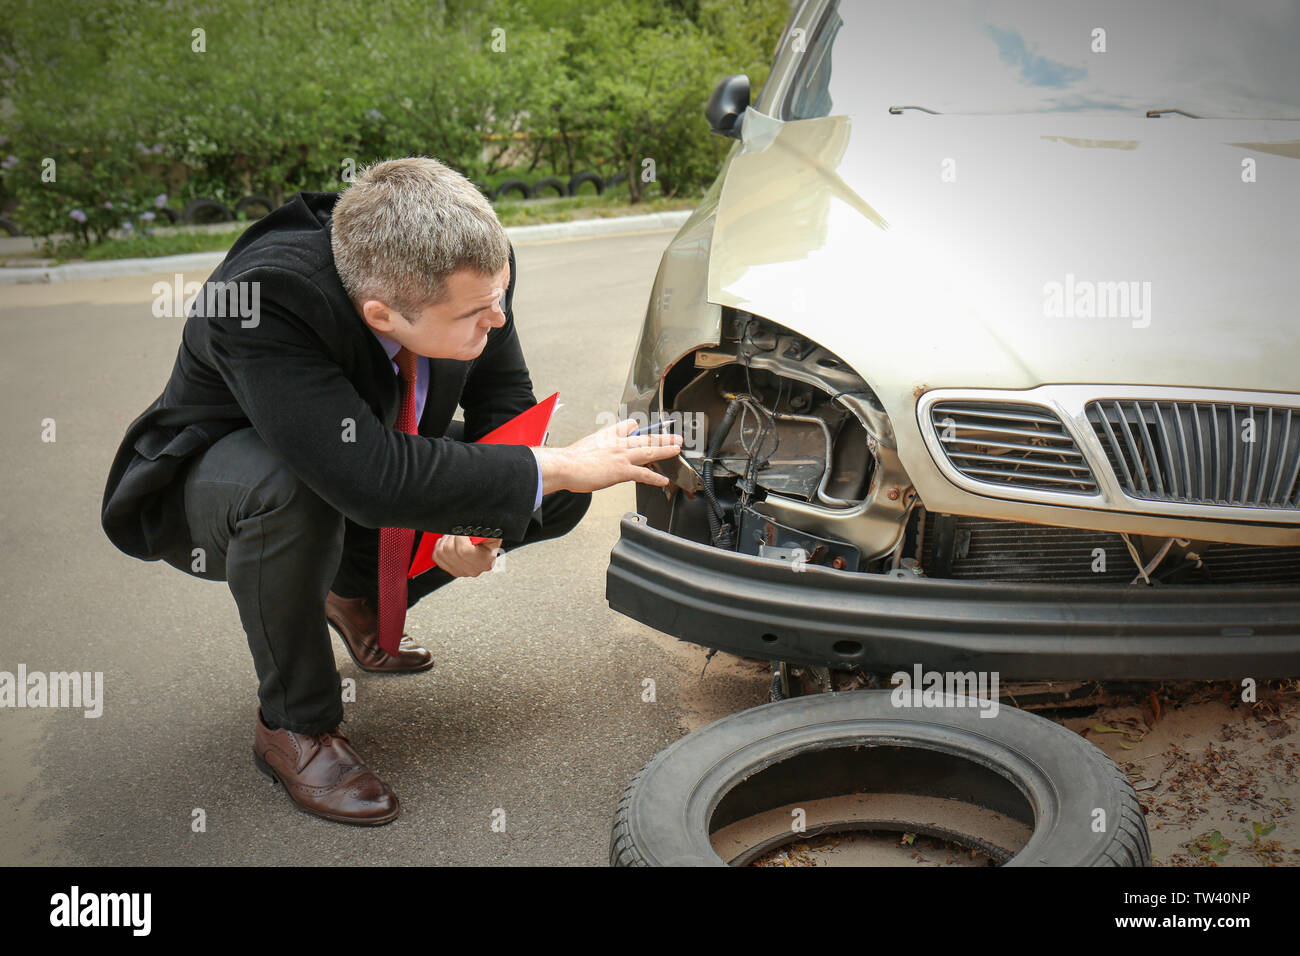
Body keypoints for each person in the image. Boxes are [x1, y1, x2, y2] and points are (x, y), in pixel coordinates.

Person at [100, 156, 682, 826]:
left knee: (550, 489)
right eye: (476, 315)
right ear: (381, 312)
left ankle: (353, 595)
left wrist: (477, 526)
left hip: (359, 457)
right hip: (221, 482)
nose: (497, 321)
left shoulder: (468, 261)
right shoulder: (267, 298)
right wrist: (544, 469)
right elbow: (365, 477)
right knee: (293, 490)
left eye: (501, 301)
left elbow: (504, 404)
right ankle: (293, 726)